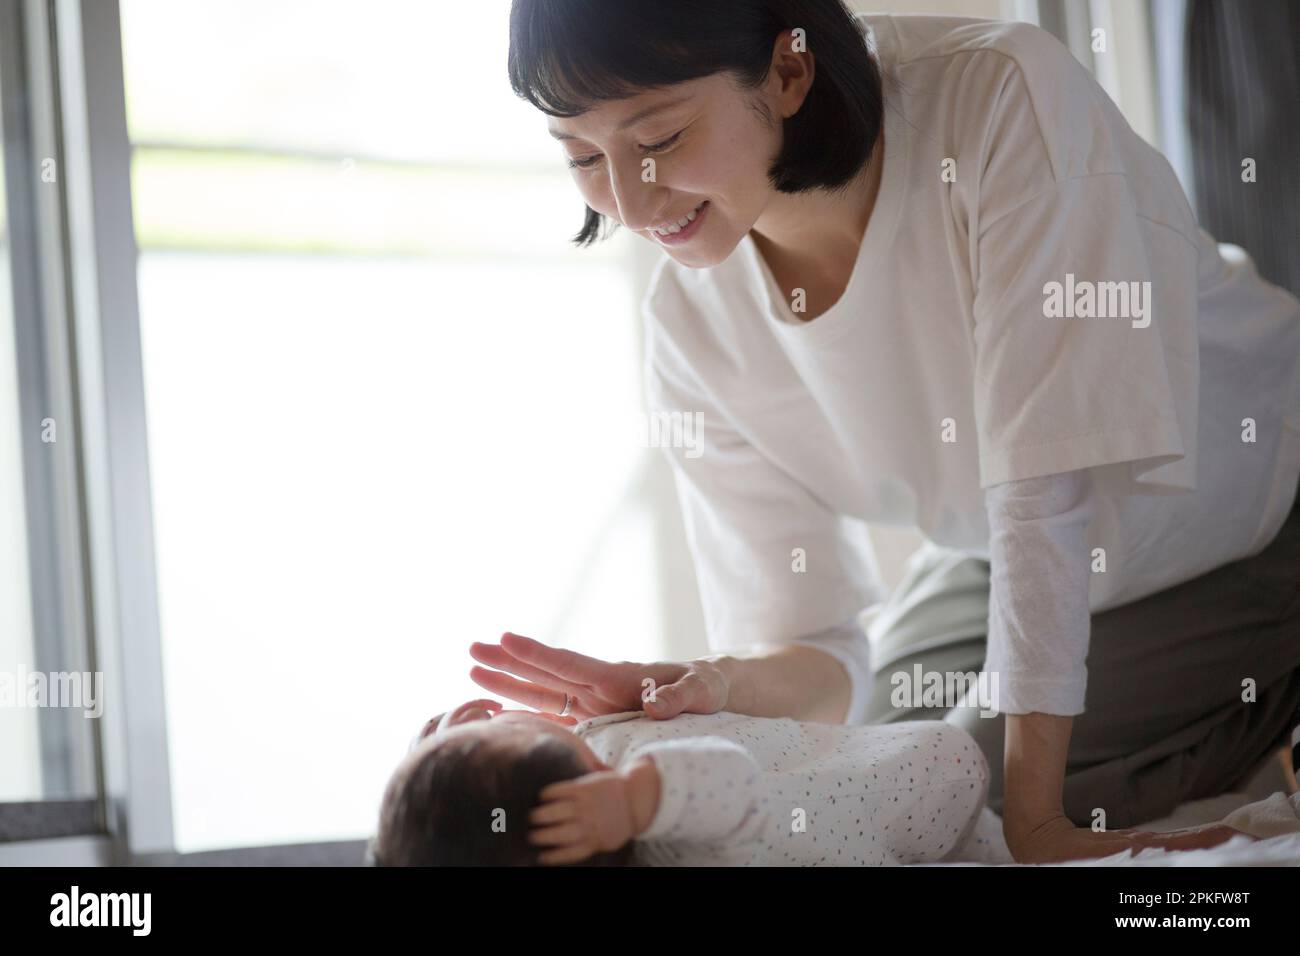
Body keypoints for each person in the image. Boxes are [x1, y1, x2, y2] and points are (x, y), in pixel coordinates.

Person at [491, 0, 1300, 863]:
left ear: (789, 71)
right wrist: (713, 683)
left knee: (962, 793)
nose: (626, 200)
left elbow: (1044, 495)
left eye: (659, 139)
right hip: (994, 556)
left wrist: (1036, 824)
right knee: (868, 776)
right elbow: (817, 651)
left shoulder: (1000, 97)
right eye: (581, 156)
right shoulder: (691, 321)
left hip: (1247, 516)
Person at [371, 694, 990, 865]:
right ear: (592, 786)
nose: (481, 713)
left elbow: (455, 841)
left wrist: (437, 762)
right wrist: (635, 799)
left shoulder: (605, 772)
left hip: (867, 760)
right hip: (932, 797)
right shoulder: (672, 828)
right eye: (496, 729)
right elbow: (733, 782)